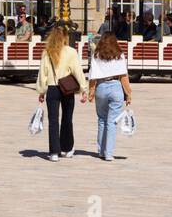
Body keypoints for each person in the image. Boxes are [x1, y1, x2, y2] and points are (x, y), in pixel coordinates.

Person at [35, 26, 88, 161]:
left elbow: (43, 73)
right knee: (67, 119)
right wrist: (83, 89)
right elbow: (77, 71)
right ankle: (66, 148)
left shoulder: (47, 52)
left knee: (53, 121)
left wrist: (41, 91)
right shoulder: (71, 52)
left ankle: (54, 152)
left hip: (52, 88)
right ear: (65, 37)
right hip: (67, 88)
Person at [88, 32, 132, 162]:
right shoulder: (119, 55)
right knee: (112, 122)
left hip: (101, 87)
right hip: (115, 87)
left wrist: (91, 92)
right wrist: (128, 93)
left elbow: (93, 76)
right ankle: (109, 153)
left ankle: (101, 150)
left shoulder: (96, 55)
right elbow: (123, 76)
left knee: (101, 119)